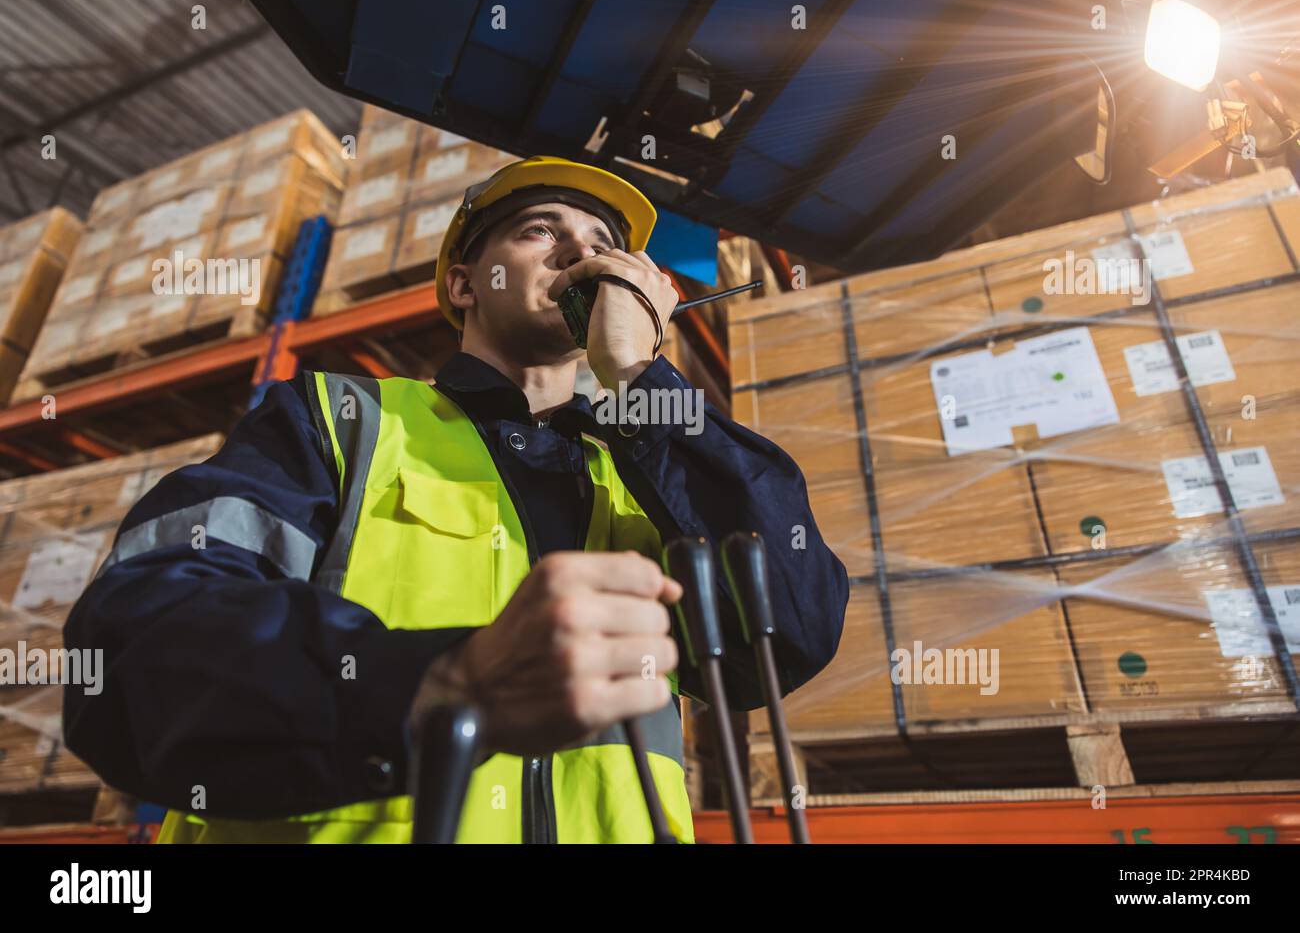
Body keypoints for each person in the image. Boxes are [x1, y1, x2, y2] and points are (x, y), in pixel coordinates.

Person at [63, 155, 848, 843]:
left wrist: (640, 380)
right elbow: (138, 639)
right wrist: (441, 687)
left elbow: (792, 628)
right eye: (541, 231)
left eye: (606, 245)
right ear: (463, 283)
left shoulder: (641, 471)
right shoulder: (342, 423)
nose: (583, 251)